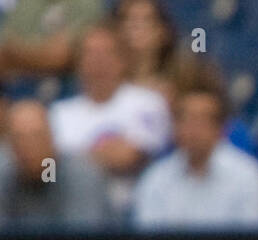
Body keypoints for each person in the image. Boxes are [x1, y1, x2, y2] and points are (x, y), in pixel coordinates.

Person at [48, 23, 170, 216]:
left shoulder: (147, 102)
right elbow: (50, 171)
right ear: (79, 62)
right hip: (77, 210)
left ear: (122, 60)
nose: (98, 62)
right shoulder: (59, 113)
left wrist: (72, 157)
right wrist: (105, 151)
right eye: (90, 54)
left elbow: (128, 157)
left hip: (136, 208)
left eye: (105, 53)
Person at [133, 82, 258, 228]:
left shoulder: (248, 175)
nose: (193, 130)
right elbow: (148, 238)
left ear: (221, 129)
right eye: (186, 120)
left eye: (202, 121)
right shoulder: (156, 177)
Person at [0, 98, 111, 226]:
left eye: (36, 136)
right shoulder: (6, 176)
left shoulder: (80, 175)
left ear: (52, 139)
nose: (27, 146)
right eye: (19, 138)